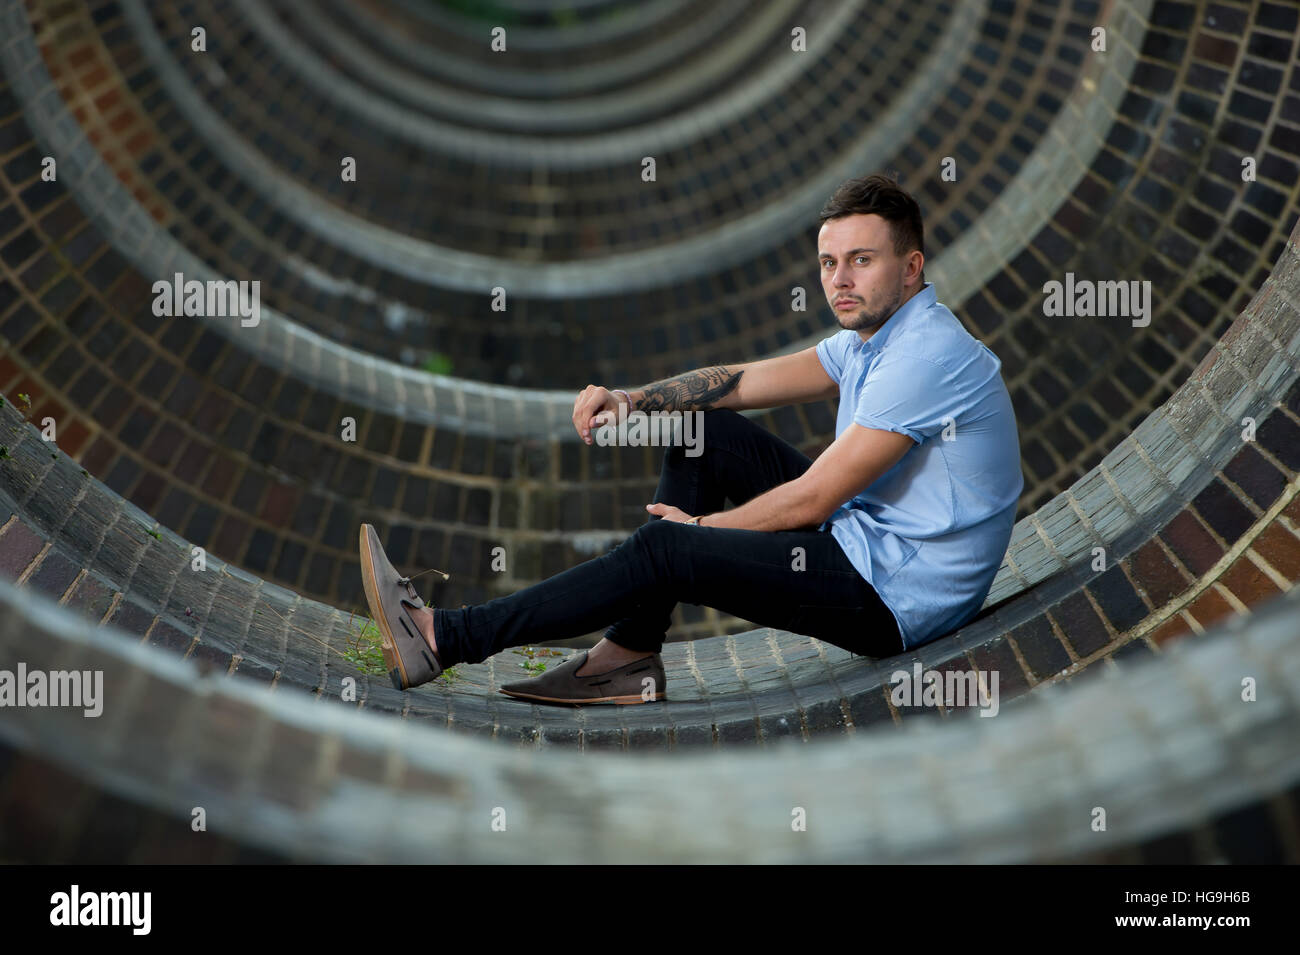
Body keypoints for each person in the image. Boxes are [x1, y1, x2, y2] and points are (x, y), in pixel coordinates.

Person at [359, 173, 1023, 705]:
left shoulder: (925, 357)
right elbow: (735, 383)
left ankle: (441, 637)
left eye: (861, 260)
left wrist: (702, 529)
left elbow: (811, 501)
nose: (840, 280)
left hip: (894, 597)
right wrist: (633, 400)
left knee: (665, 547)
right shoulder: (871, 341)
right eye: (828, 262)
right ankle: (626, 659)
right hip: (867, 544)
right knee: (703, 430)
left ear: (911, 268)